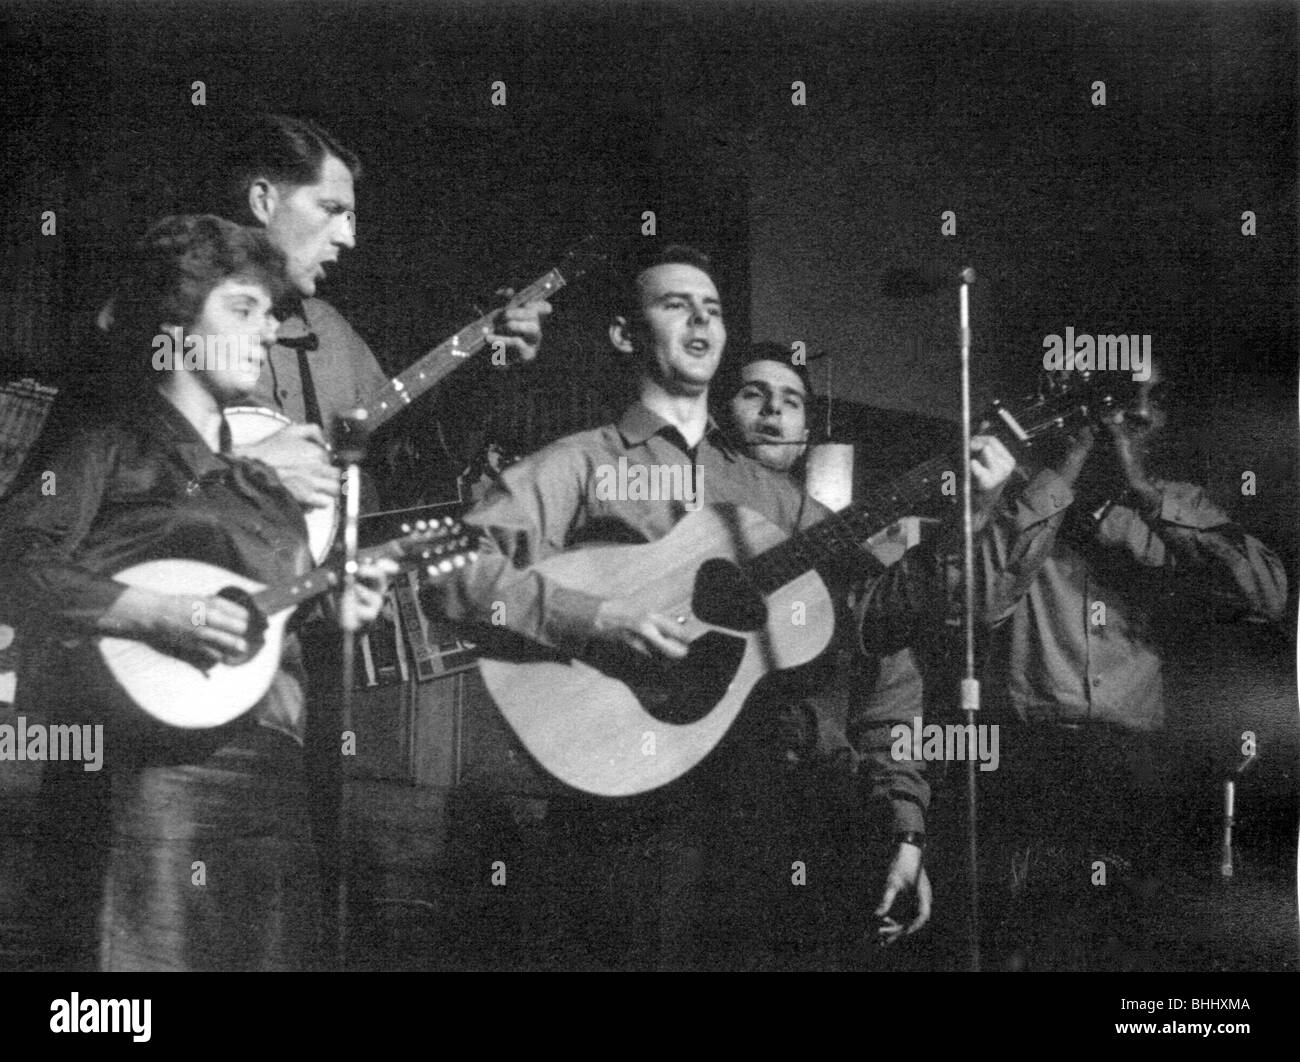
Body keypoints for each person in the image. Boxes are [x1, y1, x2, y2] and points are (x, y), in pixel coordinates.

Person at [424, 246, 1017, 968]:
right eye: (676, 305)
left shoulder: (777, 501)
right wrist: (594, 617)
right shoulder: (584, 461)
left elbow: (881, 617)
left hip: (759, 809)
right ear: (625, 334)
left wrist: (973, 513)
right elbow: (452, 570)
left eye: (712, 309)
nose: (701, 319)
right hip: (621, 800)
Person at [0, 215, 394, 971]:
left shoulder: (268, 488)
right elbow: (14, 566)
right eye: (242, 309)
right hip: (142, 782)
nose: (267, 332)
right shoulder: (109, 442)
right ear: (176, 325)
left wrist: (335, 613)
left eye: (269, 313)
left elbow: (265, 628)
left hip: (269, 785)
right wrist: (159, 614)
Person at [974, 362, 1288, 969]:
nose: (1134, 416)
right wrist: (1065, 466)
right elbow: (976, 602)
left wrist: (1143, 490)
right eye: (1118, 399)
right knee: (1026, 946)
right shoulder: (1010, 493)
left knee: (1132, 954)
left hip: (1138, 767)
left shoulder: (1180, 503)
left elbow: (1268, 594)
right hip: (1031, 756)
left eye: (1151, 402)